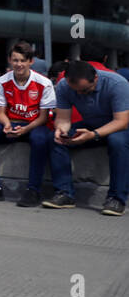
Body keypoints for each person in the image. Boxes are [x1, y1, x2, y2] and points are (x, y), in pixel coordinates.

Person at [0, 40, 55, 208]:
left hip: (34, 125)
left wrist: (25, 129)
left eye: (23, 60)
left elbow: (44, 117)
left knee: (40, 141)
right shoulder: (2, 81)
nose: (19, 64)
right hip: (12, 122)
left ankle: (34, 190)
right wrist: (7, 125)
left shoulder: (44, 83)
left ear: (30, 61)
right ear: (10, 60)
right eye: (15, 60)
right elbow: (1, 113)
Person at [44, 61, 129, 216]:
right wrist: (61, 130)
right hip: (91, 124)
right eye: (76, 91)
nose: (81, 94)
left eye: (85, 90)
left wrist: (94, 134)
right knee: (54, 139)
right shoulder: (64, 85)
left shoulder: (117, 84)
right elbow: (63, 118)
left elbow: (121, 121)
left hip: (119, 126)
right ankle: (64, 193)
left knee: (117, 142)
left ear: (95, 78)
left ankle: (117, 198)